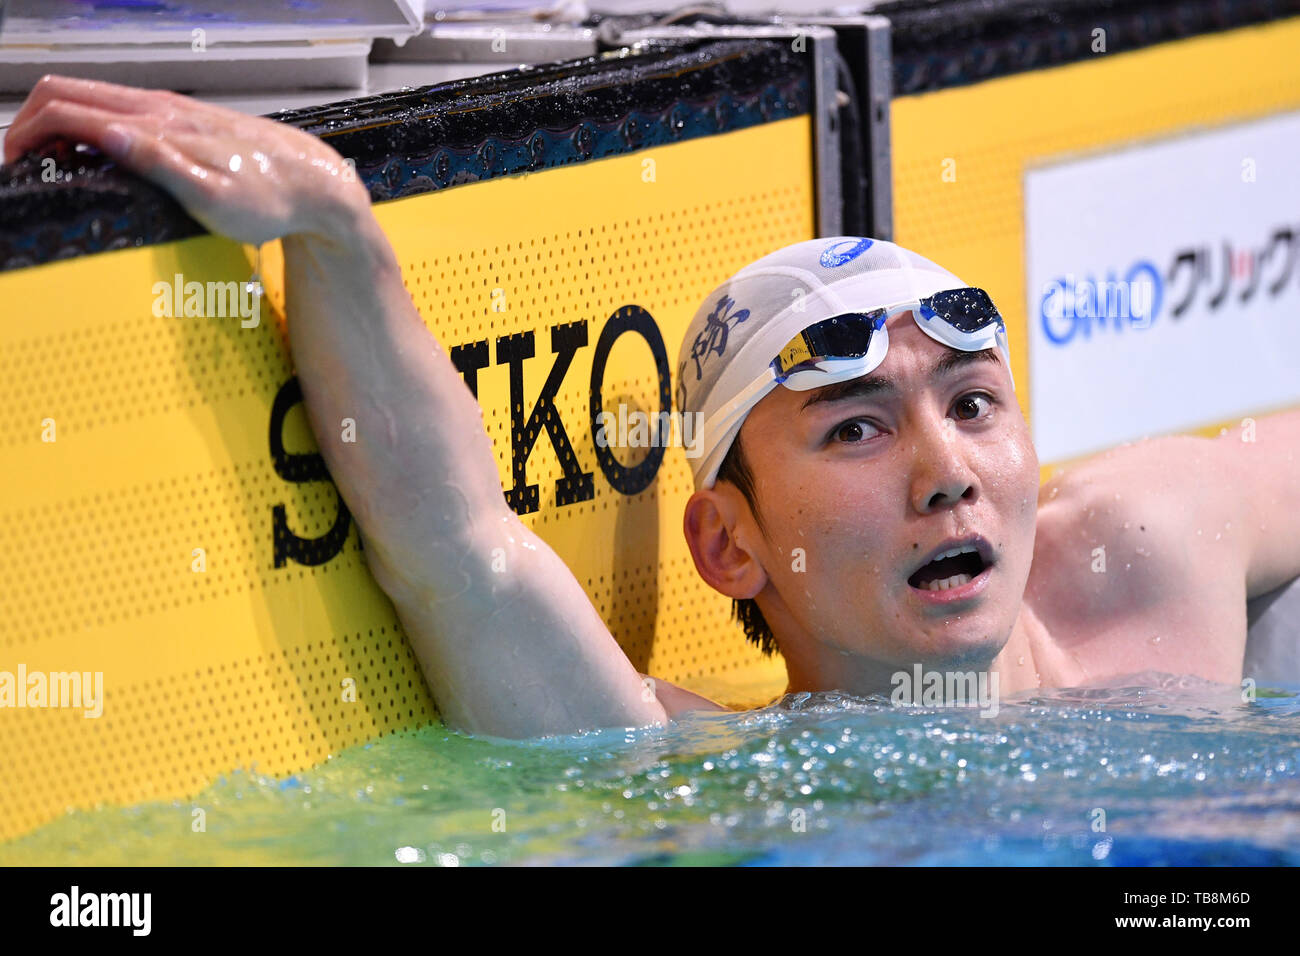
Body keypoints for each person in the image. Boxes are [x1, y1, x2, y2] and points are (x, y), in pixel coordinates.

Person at [7, 76, 1297, 738]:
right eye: (855, 426)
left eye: (971, 403)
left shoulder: (1154, 542)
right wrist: (335, 224)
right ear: (728, 544)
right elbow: (463, 553)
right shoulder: (719, 777)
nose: (945, 472)